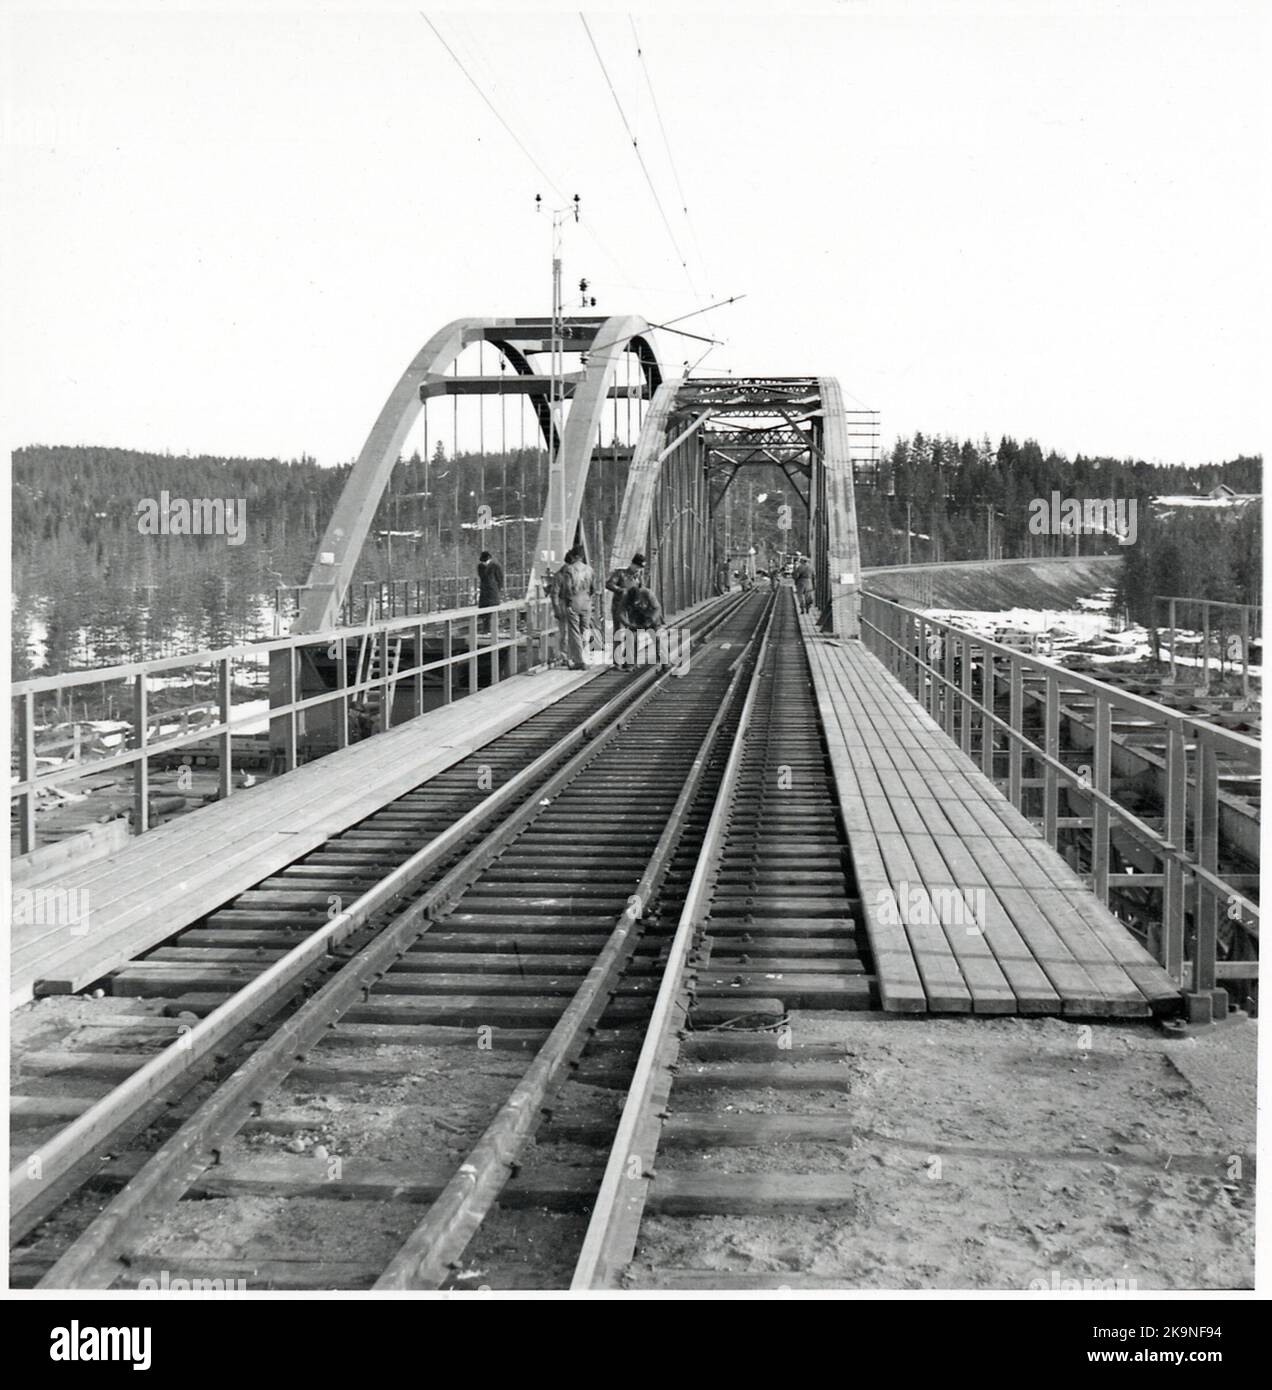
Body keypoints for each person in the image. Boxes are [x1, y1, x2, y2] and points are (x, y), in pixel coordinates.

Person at [605, 551, 646, 669]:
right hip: (619, 608)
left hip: (633, 609)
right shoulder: (620, 574)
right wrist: (621, 590)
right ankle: (617, 661)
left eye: (640, 568)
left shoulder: (638, 577)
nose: (638, 569)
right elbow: (609, 584)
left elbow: (642, 590)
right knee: (619, 632)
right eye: (637, 567)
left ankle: (630, 661)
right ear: (633, 564)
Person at [557, 547, 595, 670]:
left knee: (575, 632)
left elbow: (567, 588)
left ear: (574, 556)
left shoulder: (569, 569)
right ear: (583, 557)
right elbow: (593, 588)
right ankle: (587, 658)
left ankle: (580, 661)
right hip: (586, 602)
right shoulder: (590, 569)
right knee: (585, 630)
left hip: (574, 601)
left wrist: (568, 602)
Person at [476, 550, 504, 634]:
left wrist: (497, 589)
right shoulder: (480, 566)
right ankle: (486, 629)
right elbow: (482, 577)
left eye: (485, 561)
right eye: (483, 561)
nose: (484, 563)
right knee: (484, 611)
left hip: (493, 592)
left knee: (493, 610)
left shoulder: (495, 566)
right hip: (484, 591)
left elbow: (500, 579)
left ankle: (493, 629)